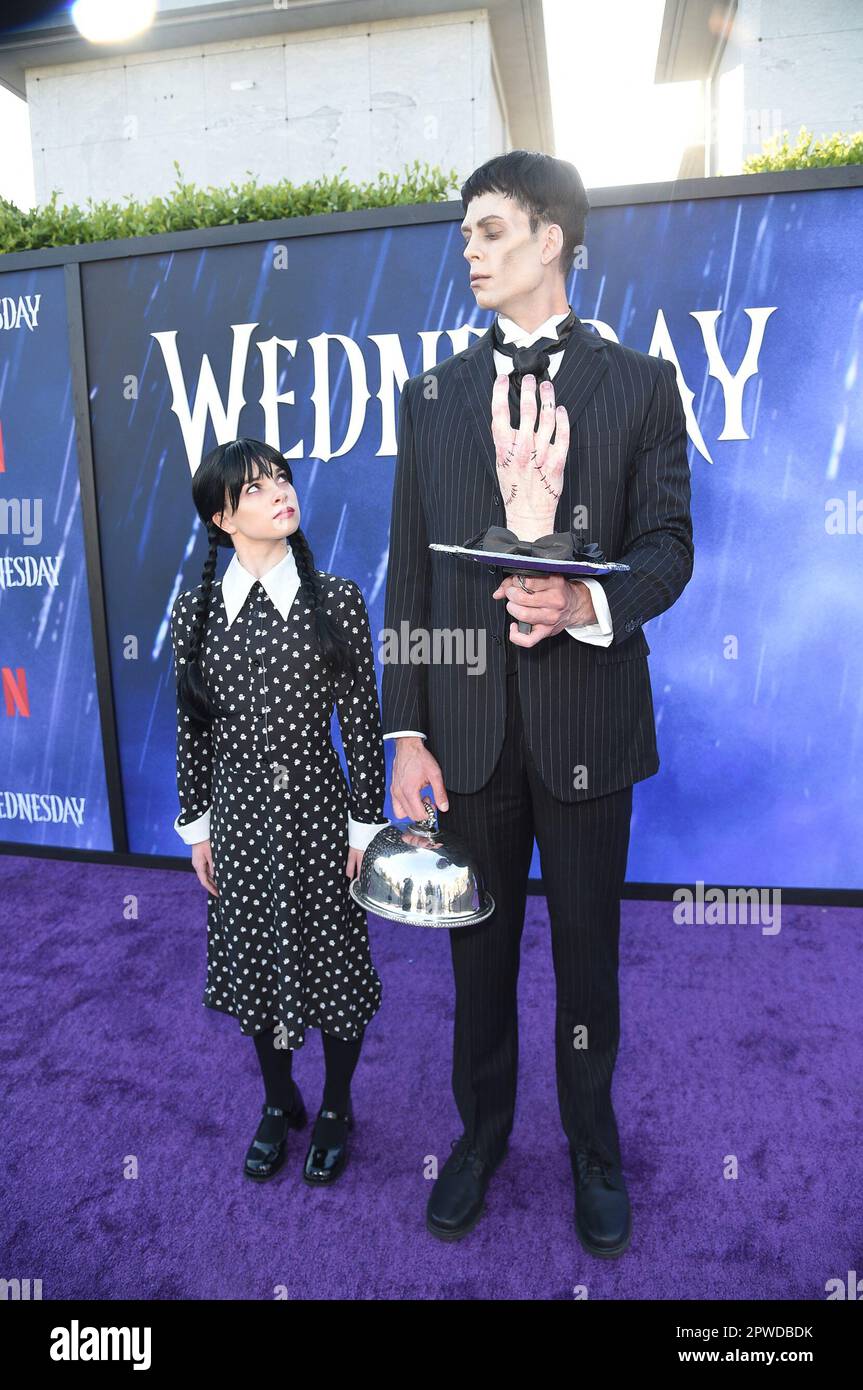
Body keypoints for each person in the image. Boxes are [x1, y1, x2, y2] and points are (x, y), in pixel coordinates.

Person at [382, 150, 694, 1256]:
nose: (468, 251)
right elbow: (408, 571)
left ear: (550, 240)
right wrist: (405, 729)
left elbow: (667, 551)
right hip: (462, 738)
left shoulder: (641, 386)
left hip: (588, 727)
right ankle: (479, 1134)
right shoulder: (428, 397)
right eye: (466, 234)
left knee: (586, 955)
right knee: (476, 957)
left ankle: (591, 1145)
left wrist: (582, 603)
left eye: (490, 231)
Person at [170, 438, 389, 1186]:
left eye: (283, 480)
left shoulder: (338, 600)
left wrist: (366, 826)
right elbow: (190, 728)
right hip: (236, 820)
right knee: (253, 959)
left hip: (321, 817)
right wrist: (195, 825)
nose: (280, 493)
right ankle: (275, 1099)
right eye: (257, 488)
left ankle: (334, 1106)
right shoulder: (193, 611)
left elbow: (361, 722)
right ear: (223, 515)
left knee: (332, 962)